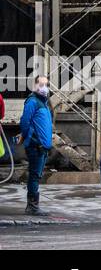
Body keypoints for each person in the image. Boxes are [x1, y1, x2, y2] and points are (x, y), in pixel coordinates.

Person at [18, 74, 54, 216]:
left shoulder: (44, 102)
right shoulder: (32, 101)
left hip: (42, 147)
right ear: (34, 86)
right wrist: (29, 138)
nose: (44, 87)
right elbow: (24, 122)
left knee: (36, 175)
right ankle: (32, 206)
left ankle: (33, 205)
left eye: (46, 84)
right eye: (41, 84)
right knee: (34, 175)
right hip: (35, 146)